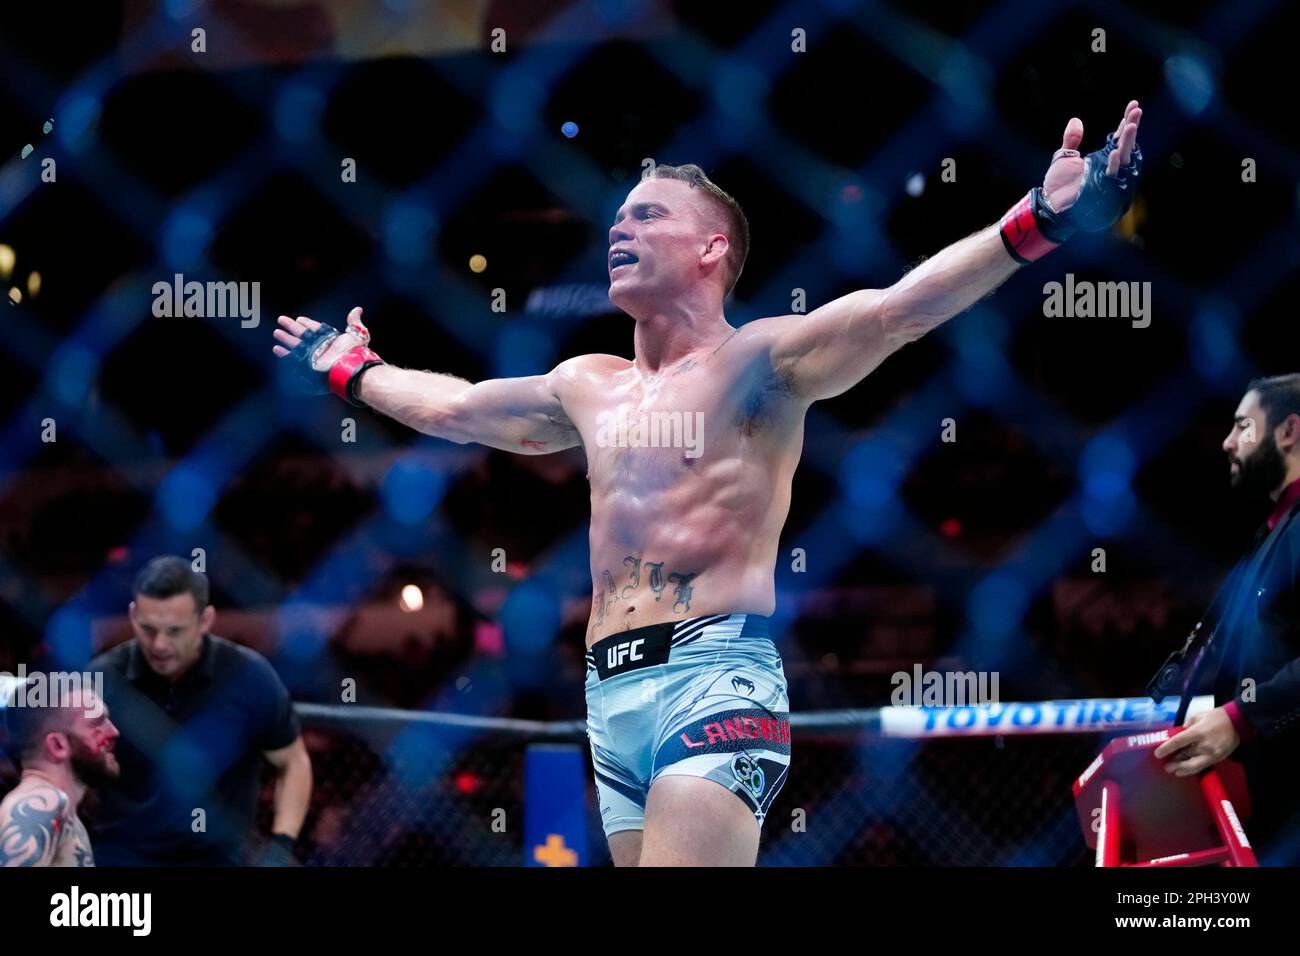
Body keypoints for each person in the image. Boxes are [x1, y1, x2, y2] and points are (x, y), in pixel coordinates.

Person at [274, 102, 1144, 866]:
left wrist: (1038, 222)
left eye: (647, 216)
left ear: (710, 248)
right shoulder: (588, 382)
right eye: (617, 218)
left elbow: (898, 310)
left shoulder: (760, 362)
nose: (619, 229)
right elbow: (460, 407)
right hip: (607, 689)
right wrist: (352, 369)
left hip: (712, 673)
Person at [1154, 375, 1300, 862]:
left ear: (1289, 431)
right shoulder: (1276, 529)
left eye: (1242, 426)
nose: (1227, 441)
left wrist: (1240, 718)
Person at [88, 556, 313, 865]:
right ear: (133, 615)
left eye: (175, 631)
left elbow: (294, 762)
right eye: (148, 629)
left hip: (219, 858)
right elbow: (63, 764)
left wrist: (282, 844)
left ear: (205, 620)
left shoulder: (248, 675)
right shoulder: (101, 679)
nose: (160, 645)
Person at [0, 681, 119, 866]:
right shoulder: (41, 804)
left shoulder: (63, 811)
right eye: (97, 723)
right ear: (57, 745)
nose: (114, 732)